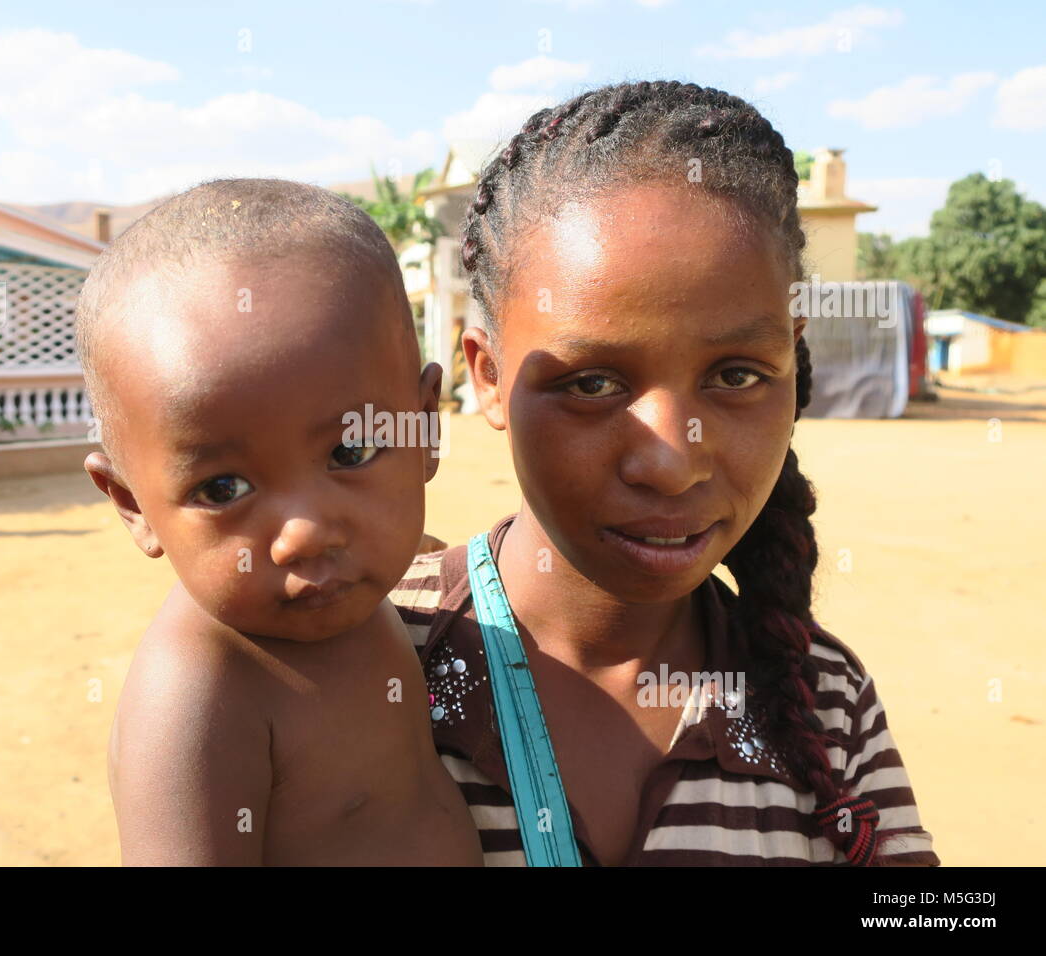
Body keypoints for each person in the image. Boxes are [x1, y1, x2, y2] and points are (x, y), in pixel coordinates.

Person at [391, 81, 939, 866]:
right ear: (486, 376)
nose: (671, 462)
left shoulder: (821, 702)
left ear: (794, 358)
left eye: (738, 375)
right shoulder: (369, 653)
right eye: (591, 384)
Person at [75, 178, 482, 865]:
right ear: (131, 505)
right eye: (222, 487)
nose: (305, 533)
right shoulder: (197, 698)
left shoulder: (371, 589)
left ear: (424, 431)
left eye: (350, 451)